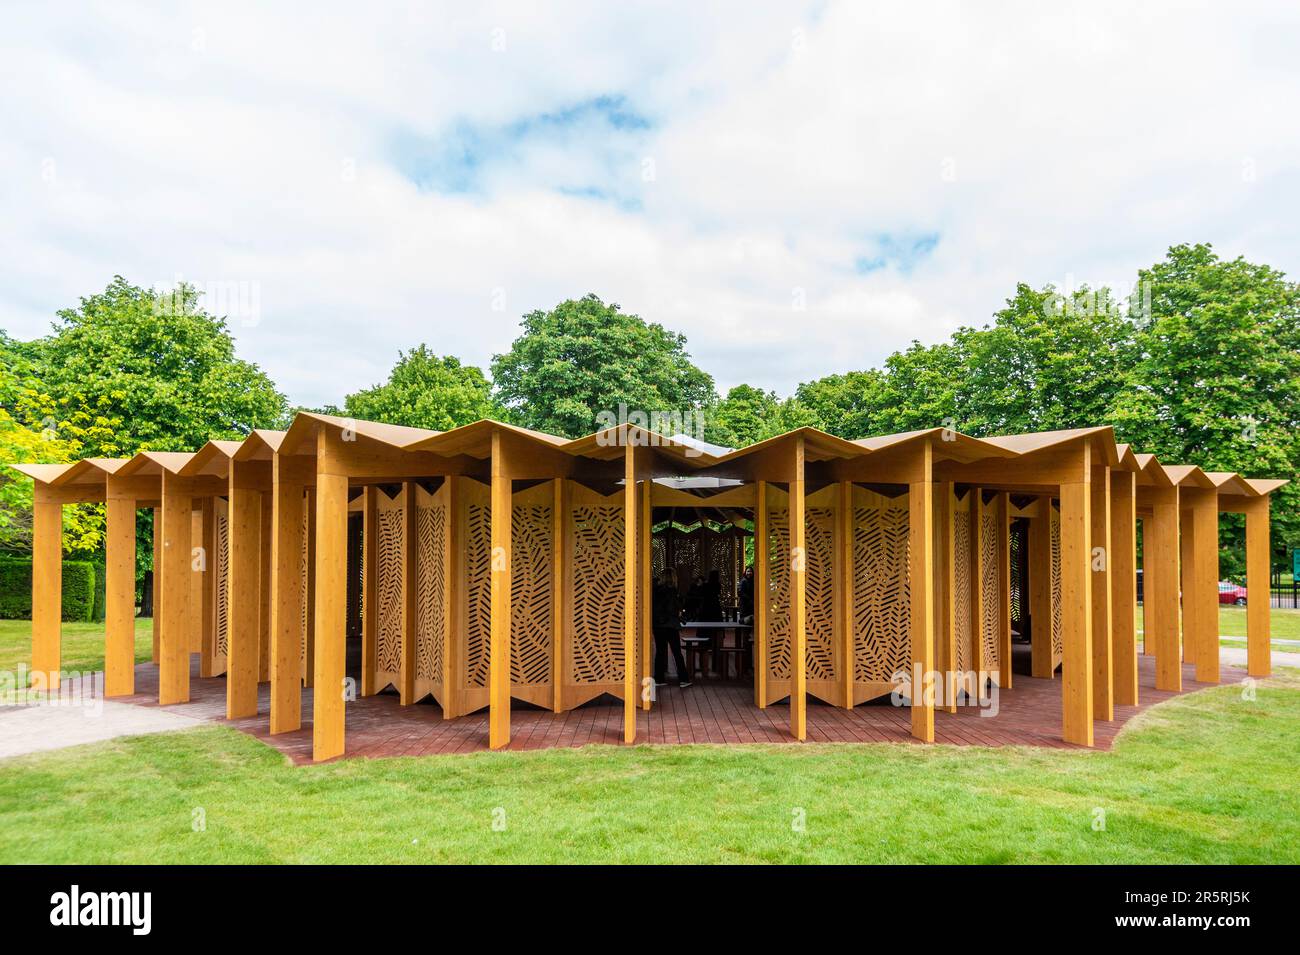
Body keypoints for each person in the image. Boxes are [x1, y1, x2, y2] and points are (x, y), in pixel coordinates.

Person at [652, 570, 692, 688]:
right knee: (677, 653)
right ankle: (683, 679)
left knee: (660, 652)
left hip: (658, 626)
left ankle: (659, 679)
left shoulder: (655, 590)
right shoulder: (672, 591)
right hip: (670, 625)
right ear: (673, 578)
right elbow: (673, 609)